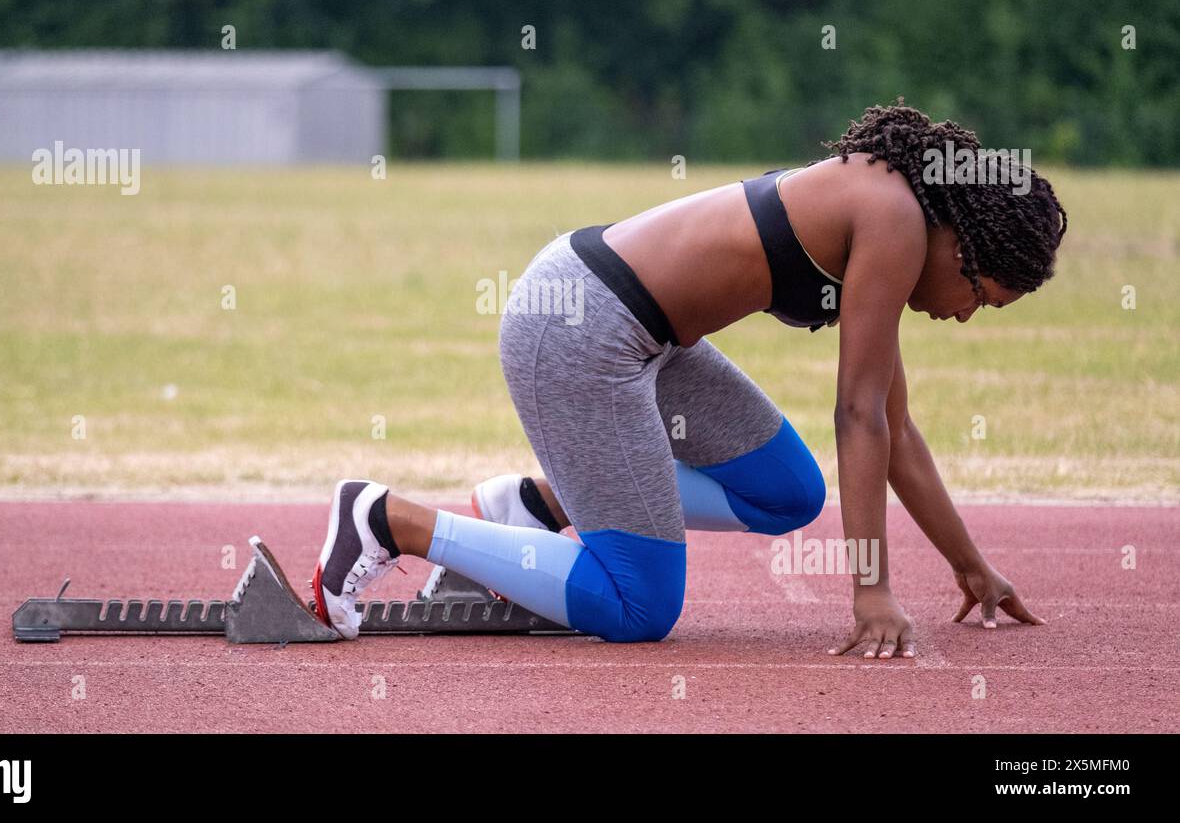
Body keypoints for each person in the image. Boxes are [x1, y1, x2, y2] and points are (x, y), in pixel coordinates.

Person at [312, 101, 1066, 658]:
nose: (966, 316)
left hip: (650, 340)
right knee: (641, 607)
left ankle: (534, 506)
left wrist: (971, 567)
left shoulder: (896, 216)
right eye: (982, 296)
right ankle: (387, 520)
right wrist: (870, 592)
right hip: (579, 326)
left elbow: (894, 430)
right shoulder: (895, 221)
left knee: (789, 493)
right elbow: (858, 418)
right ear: (962, 245)